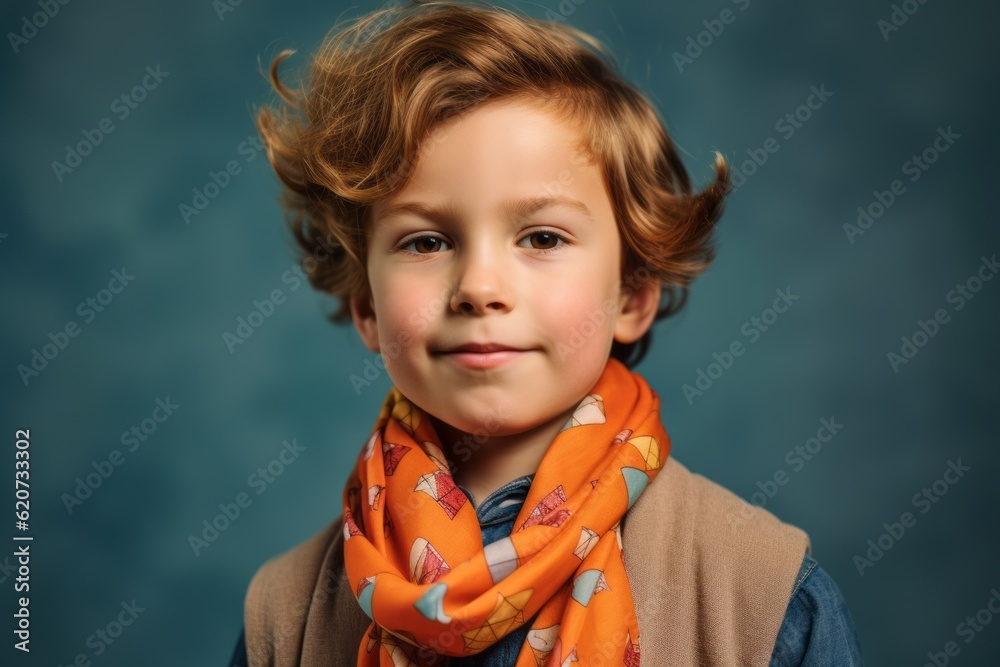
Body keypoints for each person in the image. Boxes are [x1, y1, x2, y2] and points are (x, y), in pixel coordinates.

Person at [231, 2, 863, 664]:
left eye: (541, 236)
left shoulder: (764, 596)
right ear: (366, 305)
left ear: (632, 295)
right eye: (427, 240)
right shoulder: (285, 610)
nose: (479, 285)